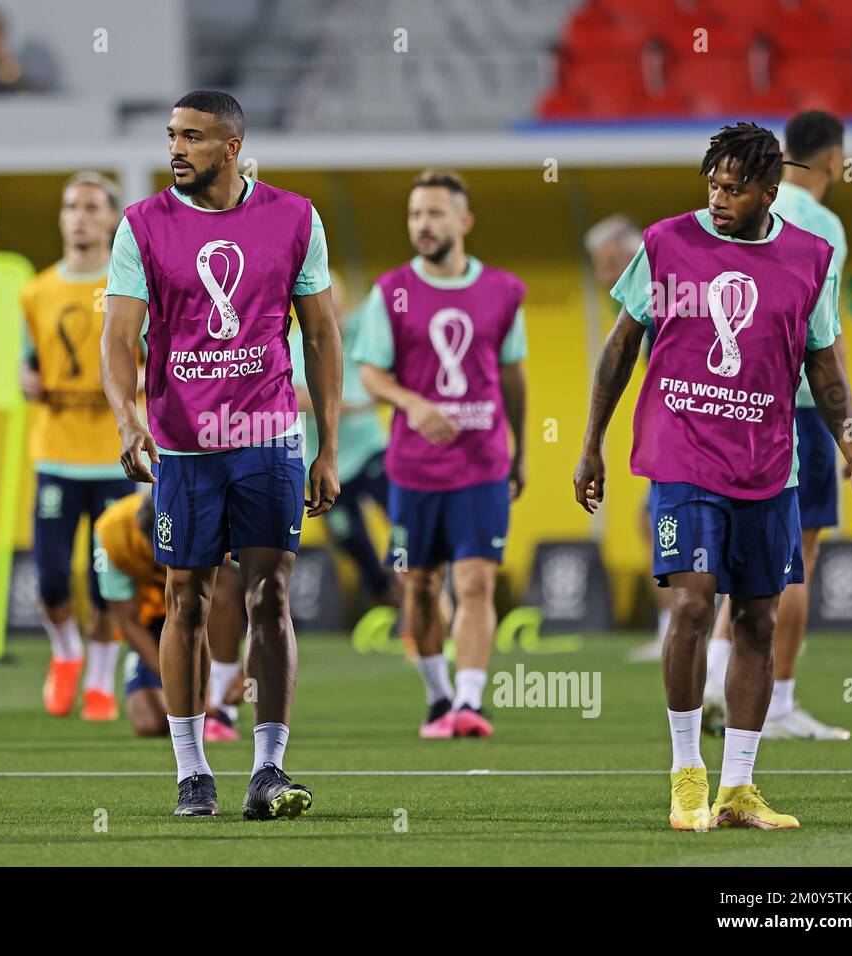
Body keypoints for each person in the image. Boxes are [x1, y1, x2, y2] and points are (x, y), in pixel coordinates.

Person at [573, 123, 852, 831]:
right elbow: (621, 347)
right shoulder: (665, 244)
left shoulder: (812, 257)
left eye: (734, 188)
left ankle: (739, 787)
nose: (718, 199)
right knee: (690, 603)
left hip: (769, 463)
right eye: (712, 184)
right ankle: (687, 774)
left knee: (758, 617)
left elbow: (825, 369)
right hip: (682, 455)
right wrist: (590, 443)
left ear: (769, 192)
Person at [101, 90, 342, 818]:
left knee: (270, 595)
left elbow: (323, 336)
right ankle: (191, 772)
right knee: (187, 599)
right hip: (183, 446)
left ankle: (268, 766)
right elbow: (118, 337)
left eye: (193, 138)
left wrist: (328, 446)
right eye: (172, 135)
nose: (175, 149)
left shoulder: (296, 218)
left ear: (232, 147)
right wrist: (127, 419)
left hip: (266, 438)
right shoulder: (141, 224)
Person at [354, 169, 527, 740]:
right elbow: (370, 372)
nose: (422, 225)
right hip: (413, 470)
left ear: (464, 220)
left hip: (481, 465)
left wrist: (519, 451)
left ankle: (471, 702)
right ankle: (437, 697)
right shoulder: (392, 290)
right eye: (414, 215)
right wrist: (413, 404)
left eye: (433, 214)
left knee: (475, 582)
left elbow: (512, 378)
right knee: (420, 585)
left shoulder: (503, 291)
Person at [703, 111, 852, 741]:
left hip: (732, 404)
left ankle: (714, 681)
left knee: (732, 557)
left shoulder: (740, 205)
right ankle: (780, 702)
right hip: (801, 407)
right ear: (837, 159)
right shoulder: (822, 226)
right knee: (796, 556)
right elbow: (826, 340)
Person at [20, 171, 136, 721]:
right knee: (48, 576)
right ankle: (65, 651)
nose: (80, 216)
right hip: (57, 455)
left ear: (112, 218)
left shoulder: (130, 288)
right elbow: (28, 359)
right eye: (72, 206)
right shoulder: (36, 290)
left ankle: (98, 678)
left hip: (117, 457)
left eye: (92, 206)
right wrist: (25, 379)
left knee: (106, 581)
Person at [585, 215, 673, 663]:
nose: (604, 276)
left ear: (631, 252)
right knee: (654, 525)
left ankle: (700, 633)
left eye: (609, 263)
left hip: (702, 438)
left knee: (667, 527)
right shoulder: (647, 299)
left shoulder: (663, 288)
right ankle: (673, 630)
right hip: (676, 436)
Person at [93, 493, 244, 740]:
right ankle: (200, 706)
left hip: (209, 613)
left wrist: (250, 670)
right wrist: (181, 685)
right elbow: (128, 621)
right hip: (156, 619)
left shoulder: (219, 523)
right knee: (149, 723)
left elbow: (267, 603)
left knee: (226, 581)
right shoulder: (112, 531)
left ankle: (221, 706)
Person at [289, 270, 393, 611]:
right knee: (354, 545)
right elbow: (292, 395)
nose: (331, 310)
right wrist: (343, 406)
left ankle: (417, 586)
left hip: (368, 449)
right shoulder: (293, 343)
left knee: (403, 518)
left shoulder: (363, 330)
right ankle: (390, 597)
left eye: (336, 302)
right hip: (322, 464)